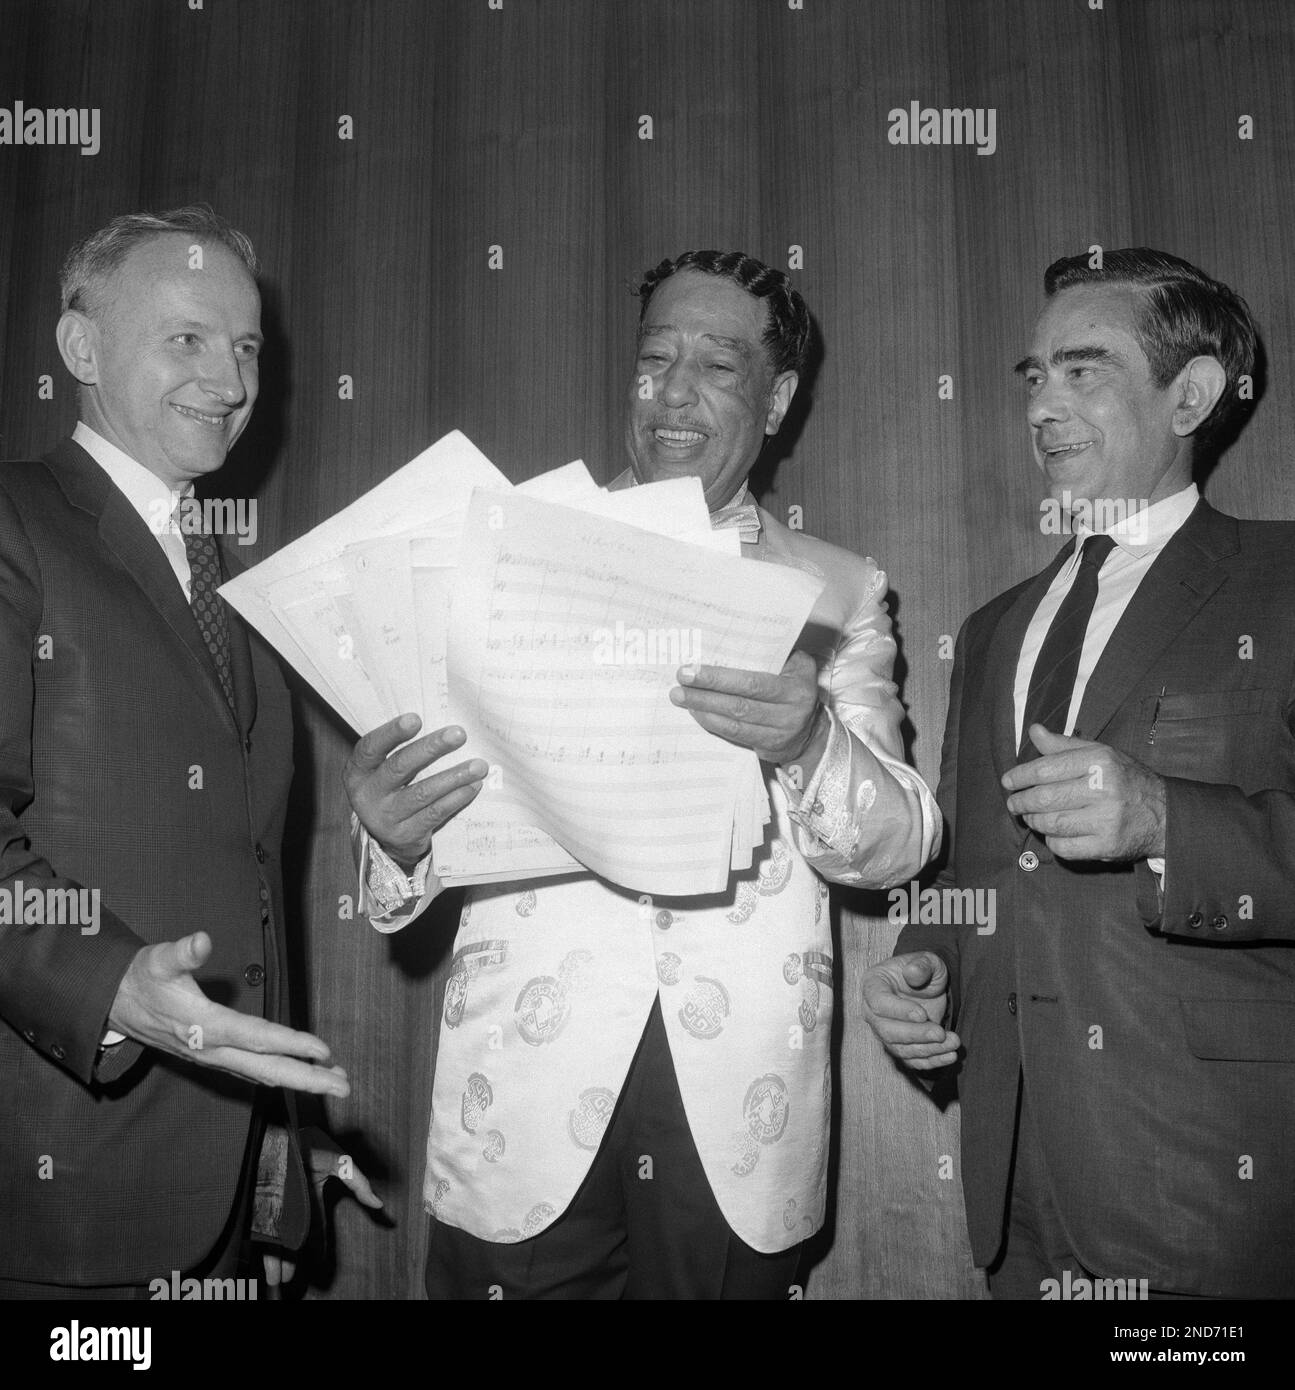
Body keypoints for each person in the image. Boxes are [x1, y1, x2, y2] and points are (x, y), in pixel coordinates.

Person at [346, 249, 940, 1299]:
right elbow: (422, 820)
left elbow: (896, 842)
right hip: (519, 1094)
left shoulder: (835, 591)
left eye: (715, 366)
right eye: (652, 359)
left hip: (736, 1105)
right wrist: (392, 835)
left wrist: (807, 745)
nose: (671, 392)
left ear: (779, 398)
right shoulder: (501, 553)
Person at [864, 248, 1295, 1299]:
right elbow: (976, 864)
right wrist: (920, 964)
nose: (1041, 404)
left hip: (1208, 1190)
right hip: (1017, 1189)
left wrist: (1160, 819)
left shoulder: (1281, 583)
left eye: (1082, 369)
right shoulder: (992, 628)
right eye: (1033, 375)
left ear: (1189, 393)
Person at [0, 206, 378, 1299]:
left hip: (222, 1200)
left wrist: (273, 1141)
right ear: (81, 348)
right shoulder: (15, 521)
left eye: (247, 346)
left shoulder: (232, 585)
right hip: (61, 1203)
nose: (229, 377)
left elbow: (239, 883)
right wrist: (110, 981)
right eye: (187, 339)